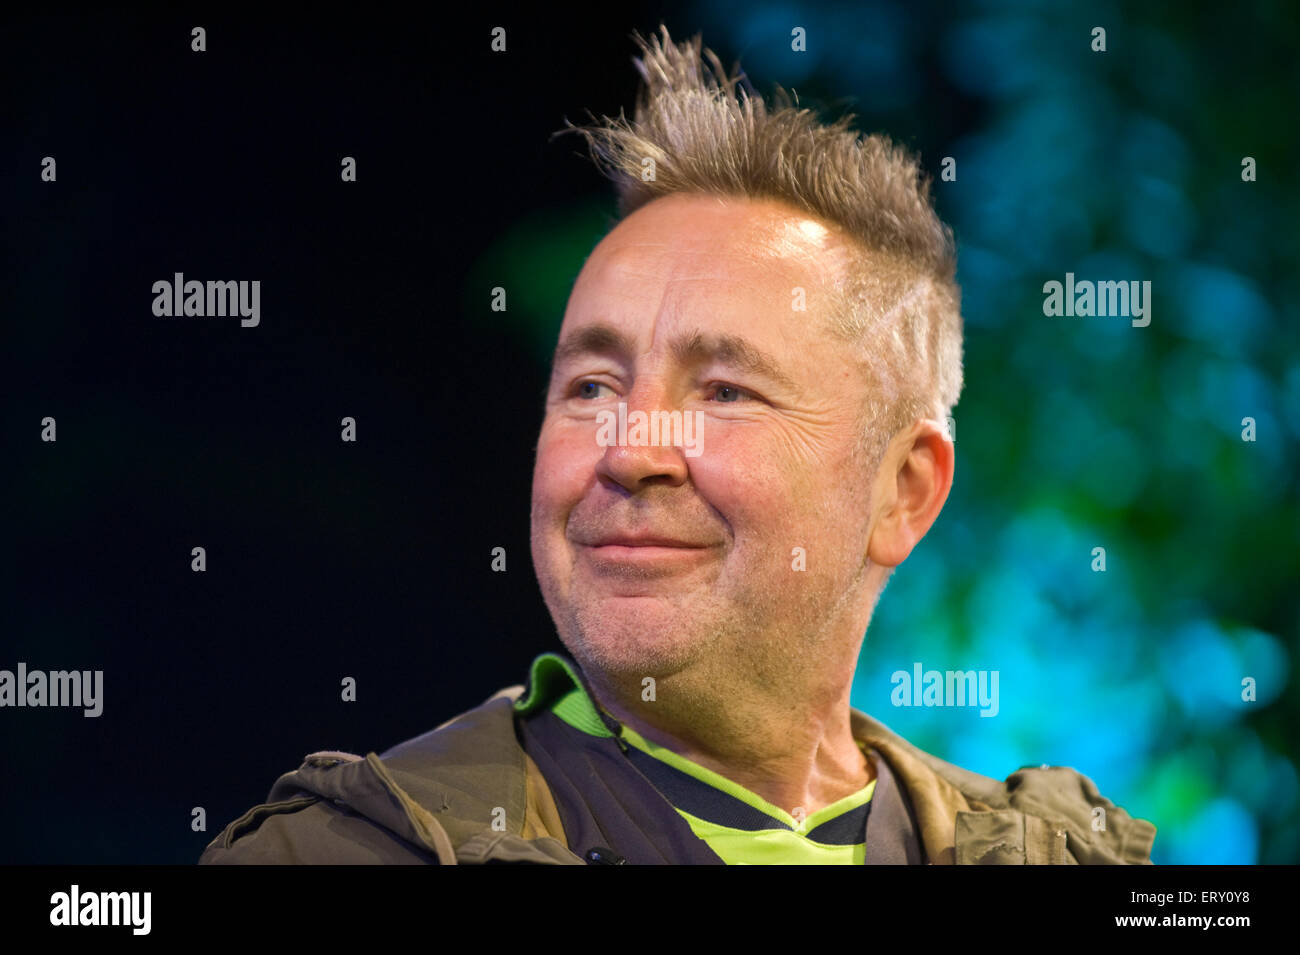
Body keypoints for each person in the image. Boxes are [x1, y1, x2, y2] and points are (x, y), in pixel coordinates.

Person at [200, 25, 1156, 865]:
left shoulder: (1066, 856)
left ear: (902, 490)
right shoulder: (340, 848)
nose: (629, 452)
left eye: (724, 391)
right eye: (590, 387)